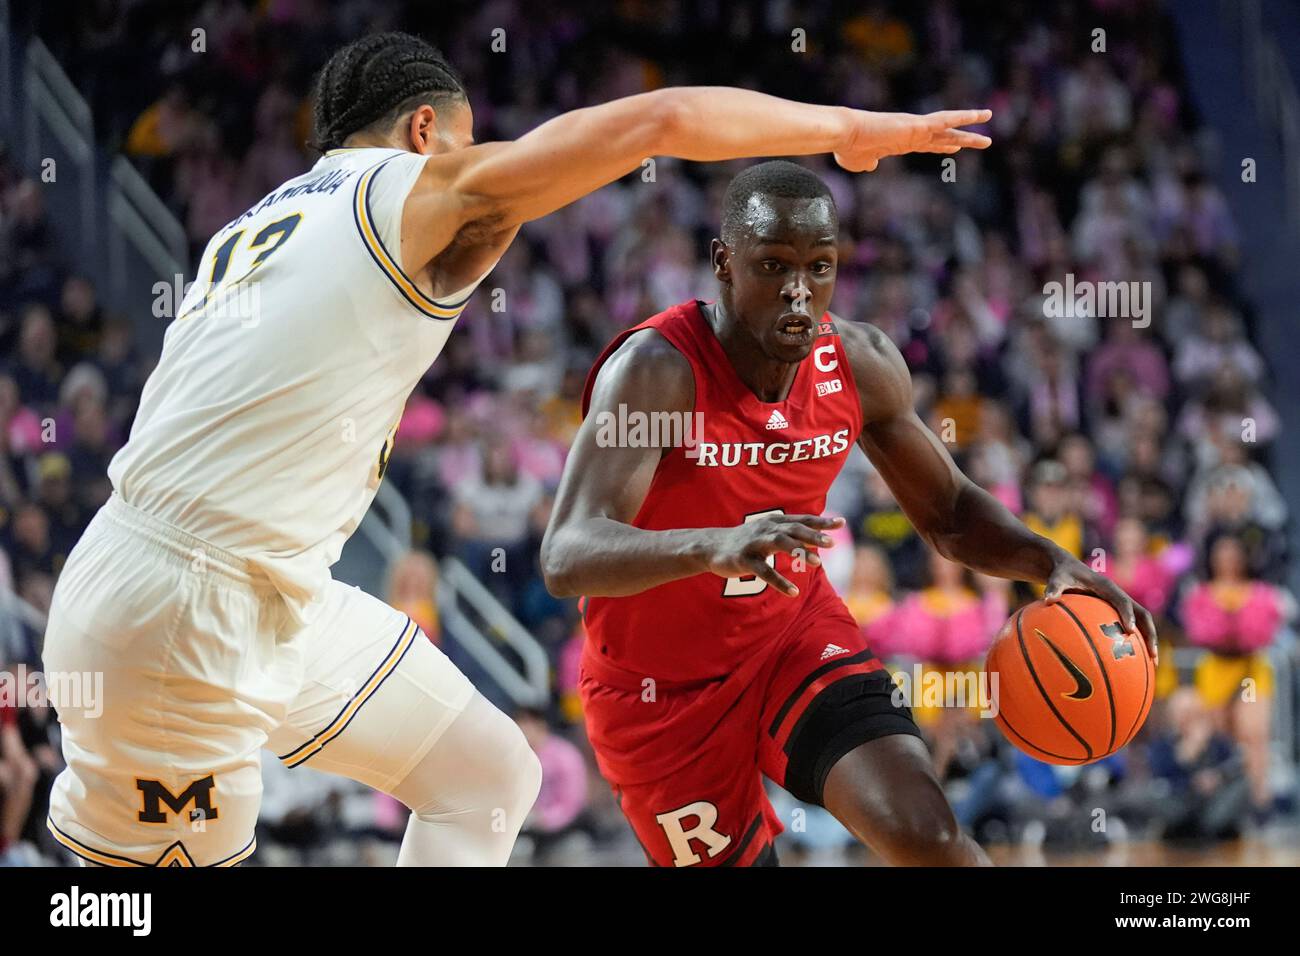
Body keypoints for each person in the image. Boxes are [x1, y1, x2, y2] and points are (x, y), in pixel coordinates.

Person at [40, 33, 996, 867]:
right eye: (466, 141)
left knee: (487, 775)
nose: (489, 168)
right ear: (424, 133)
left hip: (256, 587)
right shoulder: (417, 191)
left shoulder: (261, 222)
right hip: (183, 613)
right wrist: (843, 129)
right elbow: (657, 120)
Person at [541, 161, 1157, 867]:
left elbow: (951, 511)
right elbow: (567, 555)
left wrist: (1050, 561)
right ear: (723, 263)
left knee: (927, 837)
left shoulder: (858, 362)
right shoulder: (657, 372)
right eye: (773, 265)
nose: (799, 291)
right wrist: (712, 545)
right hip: (659, 693)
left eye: (820, 266)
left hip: (790, 640)